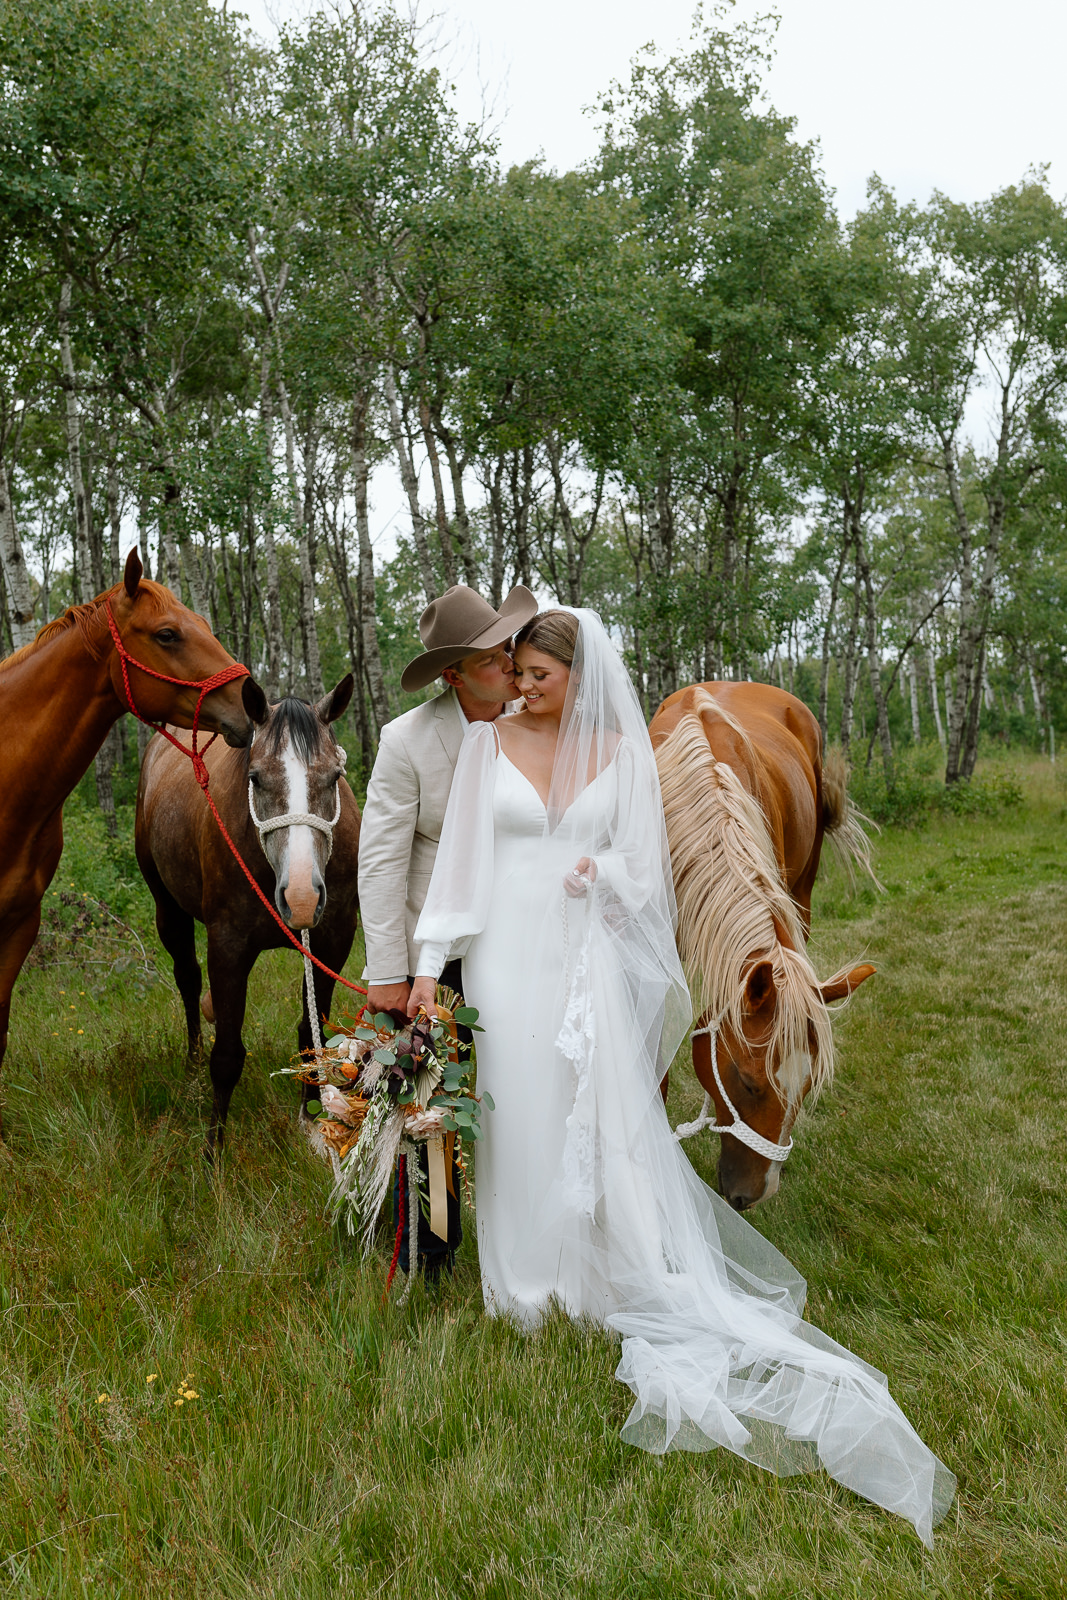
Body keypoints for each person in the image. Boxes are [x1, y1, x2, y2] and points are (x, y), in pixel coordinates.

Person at [410, 607, 956, 1546]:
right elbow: (458, 870)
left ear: (578, 680)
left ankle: (592, 1275)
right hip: (504, 950)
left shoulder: (624, 756)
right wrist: (428, 967)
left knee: (578, 1103)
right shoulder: (483, 748)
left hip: (580, 948)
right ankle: (523, 1280)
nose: (522, 685)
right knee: (519, 1108)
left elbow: (646, 873)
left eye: (538, 673)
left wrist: (604, 878)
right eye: (519, 672)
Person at [358, 581, 538, 1277]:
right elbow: (381, 858)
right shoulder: (406, 741)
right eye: (495, 655)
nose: (512, 661)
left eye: (511, 646)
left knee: (519, 1081)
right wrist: (388, 970)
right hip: (435, 945)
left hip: (523, 936)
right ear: (454, 674)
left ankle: (522, 1222)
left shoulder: (538, 716)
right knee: (430, 1091)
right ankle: (427, 1247)